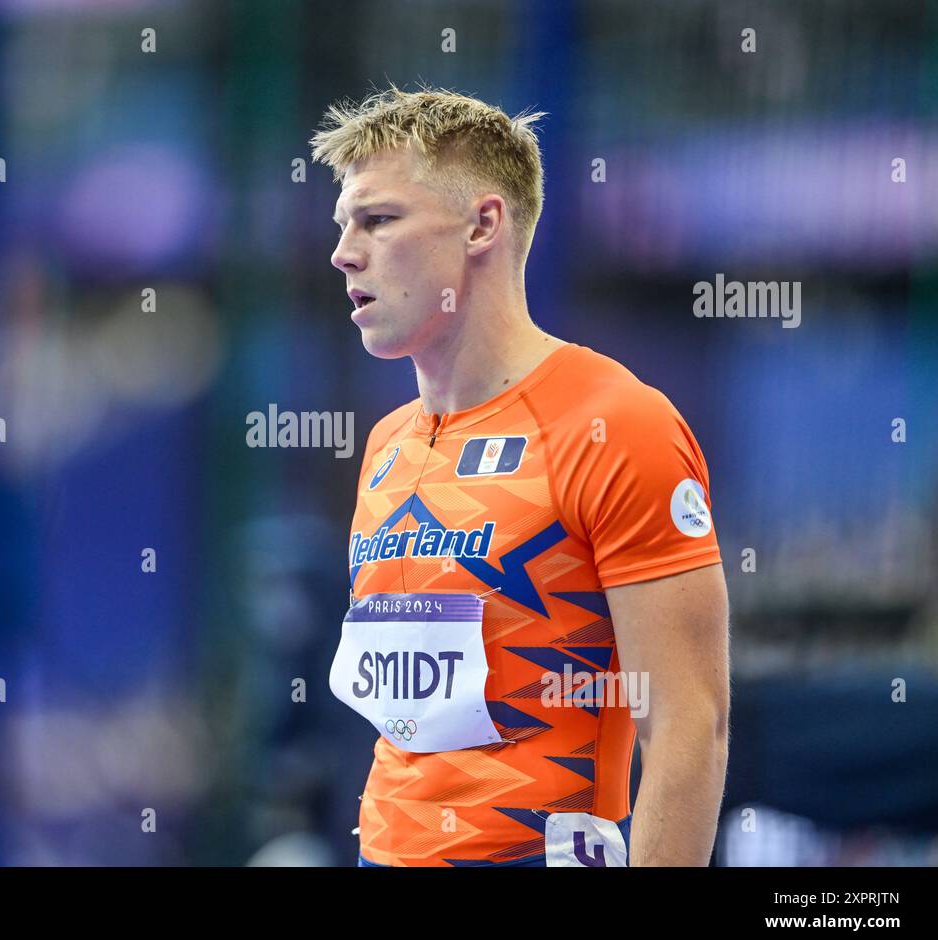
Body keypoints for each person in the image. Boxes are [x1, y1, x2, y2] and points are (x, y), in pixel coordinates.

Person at [311, 85, 730, 867]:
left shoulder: (615, 425)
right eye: (343, 225)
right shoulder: (387, 446)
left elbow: (688, 726)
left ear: (482, 225)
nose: (344, 252)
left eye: (378, 219)